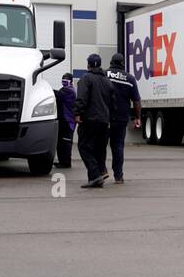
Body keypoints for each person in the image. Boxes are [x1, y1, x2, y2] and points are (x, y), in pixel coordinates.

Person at [73, 53, 114, 189]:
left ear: (88, 65)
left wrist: (77, 113)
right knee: (99, 148)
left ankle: (95, 175)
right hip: (104, 120)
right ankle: (100, 173)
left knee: (84, 147)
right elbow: (112, 103)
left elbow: (82, 98)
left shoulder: (86, 79)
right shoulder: (108, 81)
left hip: (90, 119)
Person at [105, 52, 142, 183]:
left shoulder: (104, 75)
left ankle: (101, 171)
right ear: (122, 64)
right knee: (118, 146)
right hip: (121, 118)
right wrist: (137, 117)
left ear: (111, 62)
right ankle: (118, 176)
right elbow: (136, 101)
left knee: (101, 145)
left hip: (105, 117)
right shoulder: (130, 79)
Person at [53, 72, 76, 169]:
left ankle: (66, 162)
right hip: (64, 120)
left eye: (66, 81)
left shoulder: (69, 91)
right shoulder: (65, 90)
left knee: (65, 142)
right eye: (63, 81)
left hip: (68, 121)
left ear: (71, 81)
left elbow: (58, 94)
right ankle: (62, 161)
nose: (64, 83)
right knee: (61, 142)